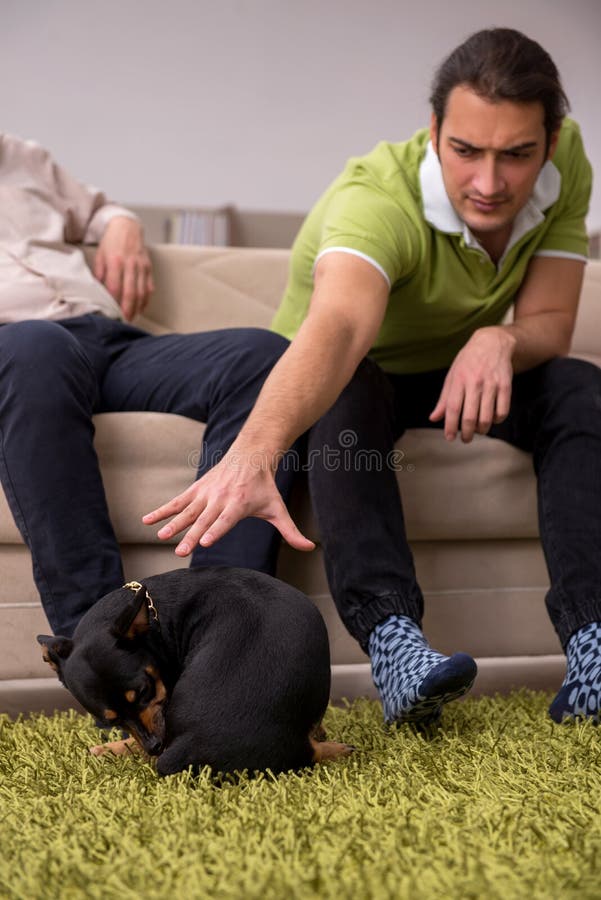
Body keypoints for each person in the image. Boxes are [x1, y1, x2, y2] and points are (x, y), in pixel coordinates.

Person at [145, 27, 601, 727]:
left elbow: (548, 317)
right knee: (348, 384)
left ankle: (592, 645)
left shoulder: (568, 163)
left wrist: (498, 337)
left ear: (550, 139)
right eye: (465, 151)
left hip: (457, 378)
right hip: (358, 379)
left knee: (576, 383)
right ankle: (394, 645)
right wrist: (256, 451)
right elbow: (338, 330)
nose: (488, 182)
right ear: (432, 131)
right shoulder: (374, 200)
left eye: (516, 155)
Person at [0, 133, 297, 638]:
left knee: (264, 357)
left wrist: (122, 226)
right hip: (21, 352)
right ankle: (103, 640)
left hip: (107, 339)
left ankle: (218, 626)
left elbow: (102, 211)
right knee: (35, 347)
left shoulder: (21, 156)